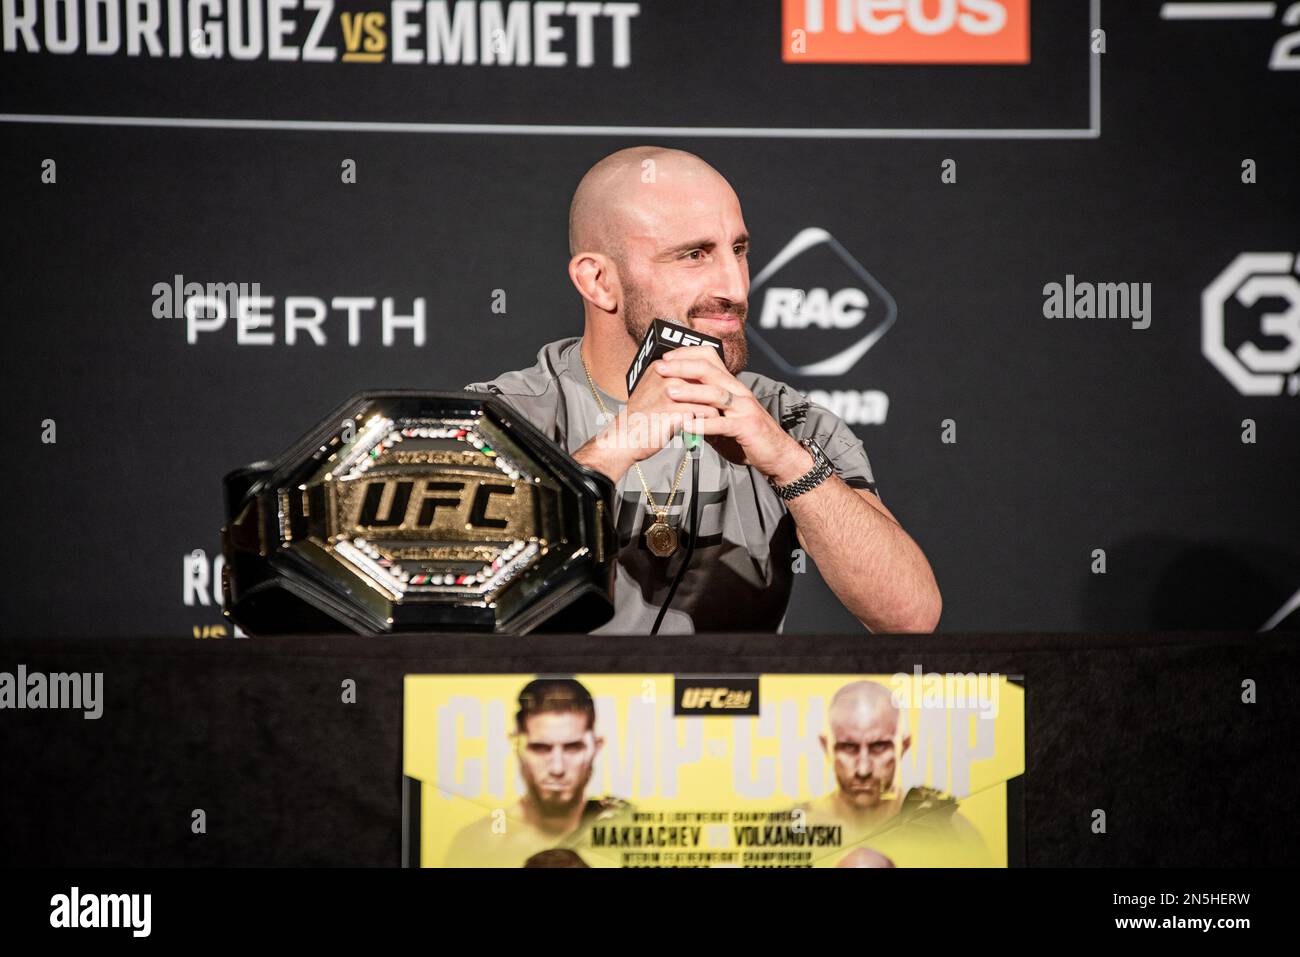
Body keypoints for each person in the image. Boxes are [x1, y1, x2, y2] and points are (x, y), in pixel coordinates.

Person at [466, 146, 940, 634]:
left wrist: (784, 460)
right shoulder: (500, 420)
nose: (735, 287)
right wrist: (617, 446)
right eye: (695, 255)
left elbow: (909, 617)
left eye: (739, 250)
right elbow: (453, 583)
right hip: (554, 708)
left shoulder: (788, 420)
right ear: (599, 281)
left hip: (729, 709)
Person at [799, 680, 991, 867]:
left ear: (903, 746)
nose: (863, 769)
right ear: (826, 747)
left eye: (879, 747)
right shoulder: (794, 827)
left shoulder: (952, 831)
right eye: (849, 747)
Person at [443, 678, 628, 868]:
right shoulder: (476, 844)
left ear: (596, 747)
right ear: (517, 745)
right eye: (540, 748)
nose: (557, 768)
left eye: (573, 747)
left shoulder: (629, 825)